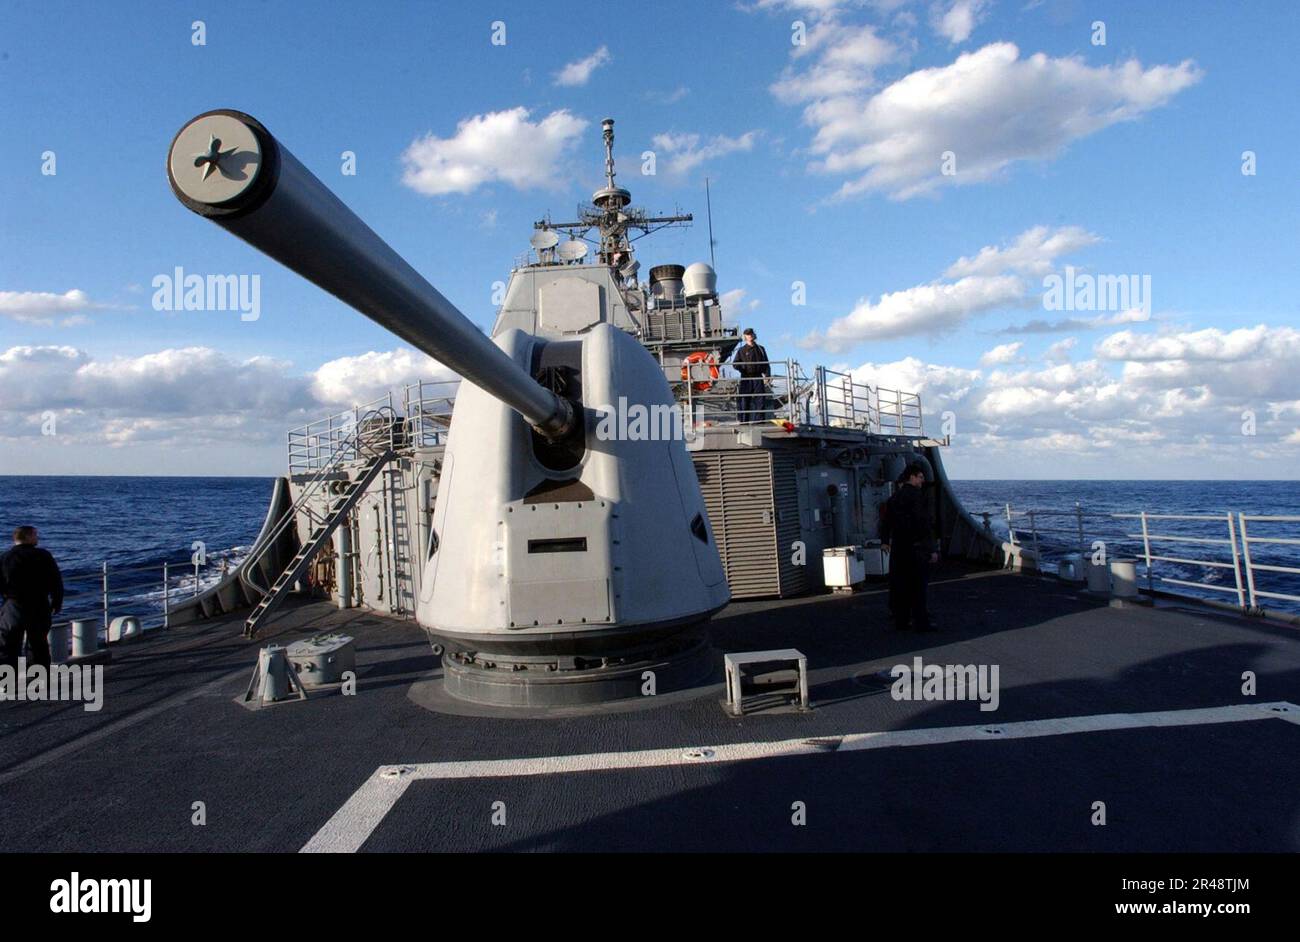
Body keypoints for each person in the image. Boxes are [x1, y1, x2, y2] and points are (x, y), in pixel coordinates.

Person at [881, 463, 939, 632]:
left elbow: (886, 523)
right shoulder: (918, 498)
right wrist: (932, 549)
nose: (922, 480)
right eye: (920, 477)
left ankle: (901, 621)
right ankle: (921, 623)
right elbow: (924, 525)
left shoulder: (894, 498)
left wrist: (885, 541)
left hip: (899, 549)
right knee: (918, 587)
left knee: (900, 586)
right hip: (916, 549)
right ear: (912, 477)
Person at [0, 526, 65, 671]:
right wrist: (56, 602)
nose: (37, 538)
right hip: (38, 604)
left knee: (8, 646)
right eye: (35, 535)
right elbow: (56, 581)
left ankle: (6, 682)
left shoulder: (5, 558)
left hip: (13, 605)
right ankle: (39, 680)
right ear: (28, 537)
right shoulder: (43, 556)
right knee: (38, 645)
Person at [730, 328, 771, 423]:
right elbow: (735, 364)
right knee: (744, 400)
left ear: (754, 335)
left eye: (751, 334)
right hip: (746, 377)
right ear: (745, 337)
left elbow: (766, 363)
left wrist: (767, 375)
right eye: (748, 334)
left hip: (757, 377)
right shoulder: (741, 350)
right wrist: (742, 367)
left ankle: (759, 421)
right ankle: (744, 421)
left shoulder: (760, 349)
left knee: (760, 400)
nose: (750, 336)